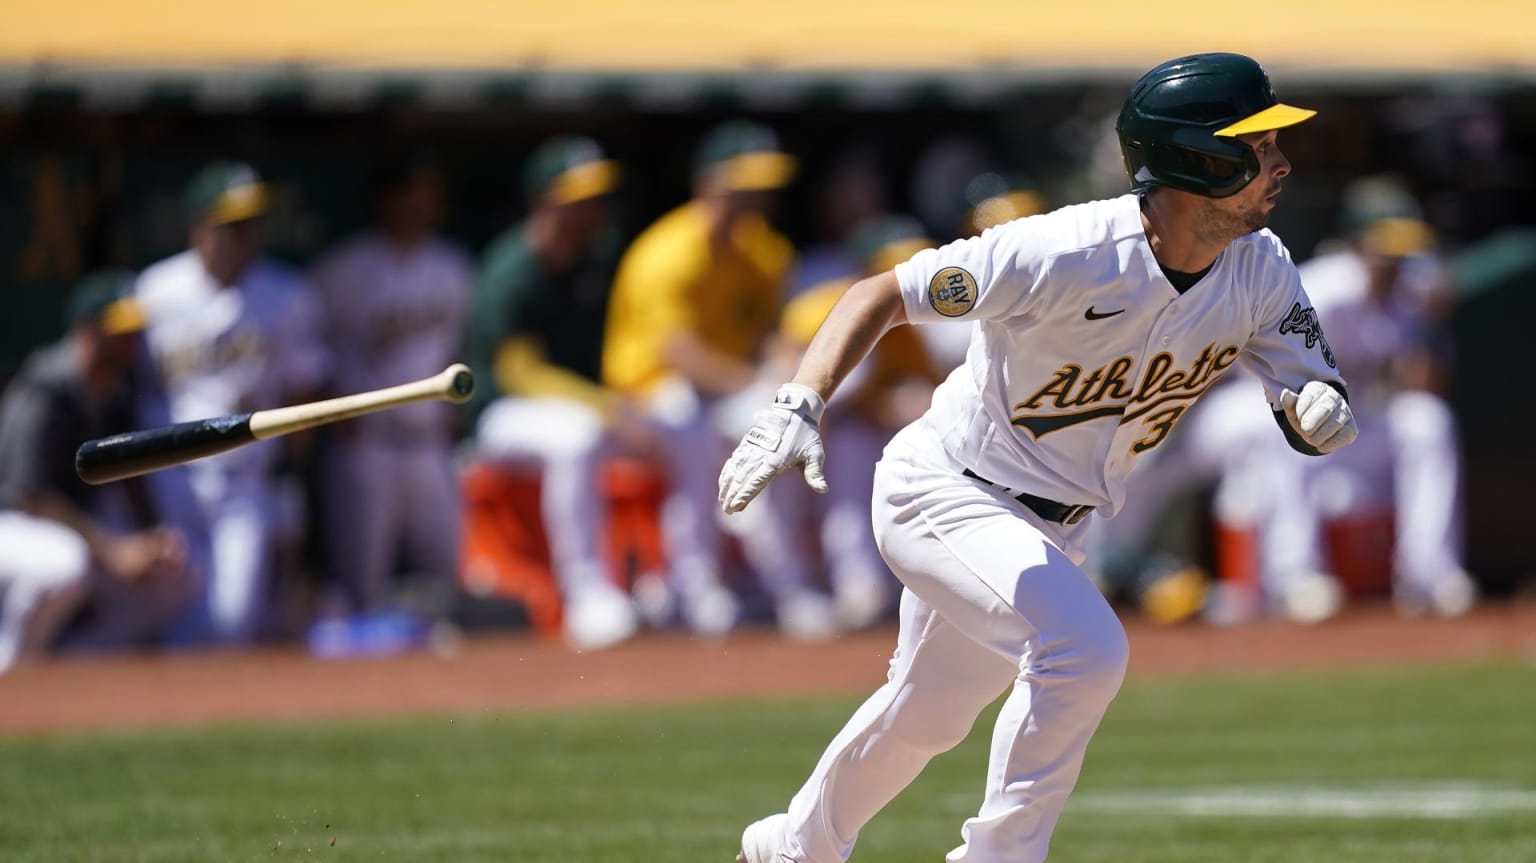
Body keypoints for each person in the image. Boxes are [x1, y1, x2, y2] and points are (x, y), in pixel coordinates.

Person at [718, 53, 1357, 863]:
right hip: (945, 488)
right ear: (1203, 156)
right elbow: (881, 294)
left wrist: (1315, 415)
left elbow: (1308, 400)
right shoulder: (1064, 249)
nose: (1281, 161)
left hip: (1056, 525)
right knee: (1085, 649)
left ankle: (786, 847)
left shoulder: (1261, 269)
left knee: (927, 713)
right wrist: (799, 399)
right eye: (1259, 144)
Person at [604, 121, 836, 638]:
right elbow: (677, 353)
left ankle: (791, 587)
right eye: (747, 184)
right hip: (649, 391)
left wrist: (783, 374)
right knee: (694, 435)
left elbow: (771, 332)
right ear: (712, 185)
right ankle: (697, 586)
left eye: (764, 184)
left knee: (784, 430)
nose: (759, 195)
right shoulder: (667, 251)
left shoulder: (765, 252)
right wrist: (755, 380)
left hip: (727, 386)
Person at [134, 162, 329, 643]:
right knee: (172, 612)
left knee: (234, 615)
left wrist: (291, 476)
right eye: (232, 226)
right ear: (200, 227)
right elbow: (131, 388)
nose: (246, 238)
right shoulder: (156, 292)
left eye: (253, 225)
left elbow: (303, 391)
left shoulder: (286, 294)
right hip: (172, 476)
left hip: (245, 477)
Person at [464, 136, 642, 650]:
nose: (593, 209)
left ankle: (674, 588)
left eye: (597, 196)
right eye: (579, 197)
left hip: (586, 405)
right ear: (545, 201)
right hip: (501, 416)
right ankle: (586, 592)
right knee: (577, 438)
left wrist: (629, 404)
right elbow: (520, 373)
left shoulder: (601, 257)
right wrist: (607, 408)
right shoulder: (512, 269)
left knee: (678, 425)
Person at [1283, 176, 1475, 616]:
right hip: (1289, 414)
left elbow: (1425, 383)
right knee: (1294, 426)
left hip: (1365, 418)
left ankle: (1431, 575)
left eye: (1401, 251)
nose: (1393, 262)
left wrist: (1431, 326)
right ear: (1355, 245)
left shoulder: (1416, 290)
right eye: (1383, 249)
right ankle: (1296, 577)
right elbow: (1284, 380)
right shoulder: (1321, 291)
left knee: (1428, 420)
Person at [0, 274, 199, 670]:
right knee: (63, 565)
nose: (132, 344)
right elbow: (30, 497)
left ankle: (77, 670)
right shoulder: (44, 390)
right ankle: (13, 667)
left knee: (174, 574)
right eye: (120, 333)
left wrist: (150, 535)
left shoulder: (116, 392)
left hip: (68, 528)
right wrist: (112, 550)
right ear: (88, 333)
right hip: (14, 522)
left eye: (134, 332)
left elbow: (130, 475)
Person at [308, 155, 471, 629]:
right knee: (364, 584)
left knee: (448, 573)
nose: (420, 206)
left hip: (428, 442)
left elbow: (462, 345)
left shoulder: (452, 266)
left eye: (429, 196)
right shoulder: (340, 270)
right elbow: (309, 353)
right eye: (409, 195)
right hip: (367, 442)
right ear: (384, 201)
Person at [756, 216, 942, 628]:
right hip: (776, 415)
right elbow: (785, 374)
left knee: (863, 450)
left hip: (843, 428)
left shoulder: (908, 321)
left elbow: (917, 394)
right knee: (781, 469)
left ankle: (864, 586)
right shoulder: (824, 304)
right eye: (892, 265)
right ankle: (789, 589)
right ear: (863, 269)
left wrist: (890, 407)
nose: (905, 274)